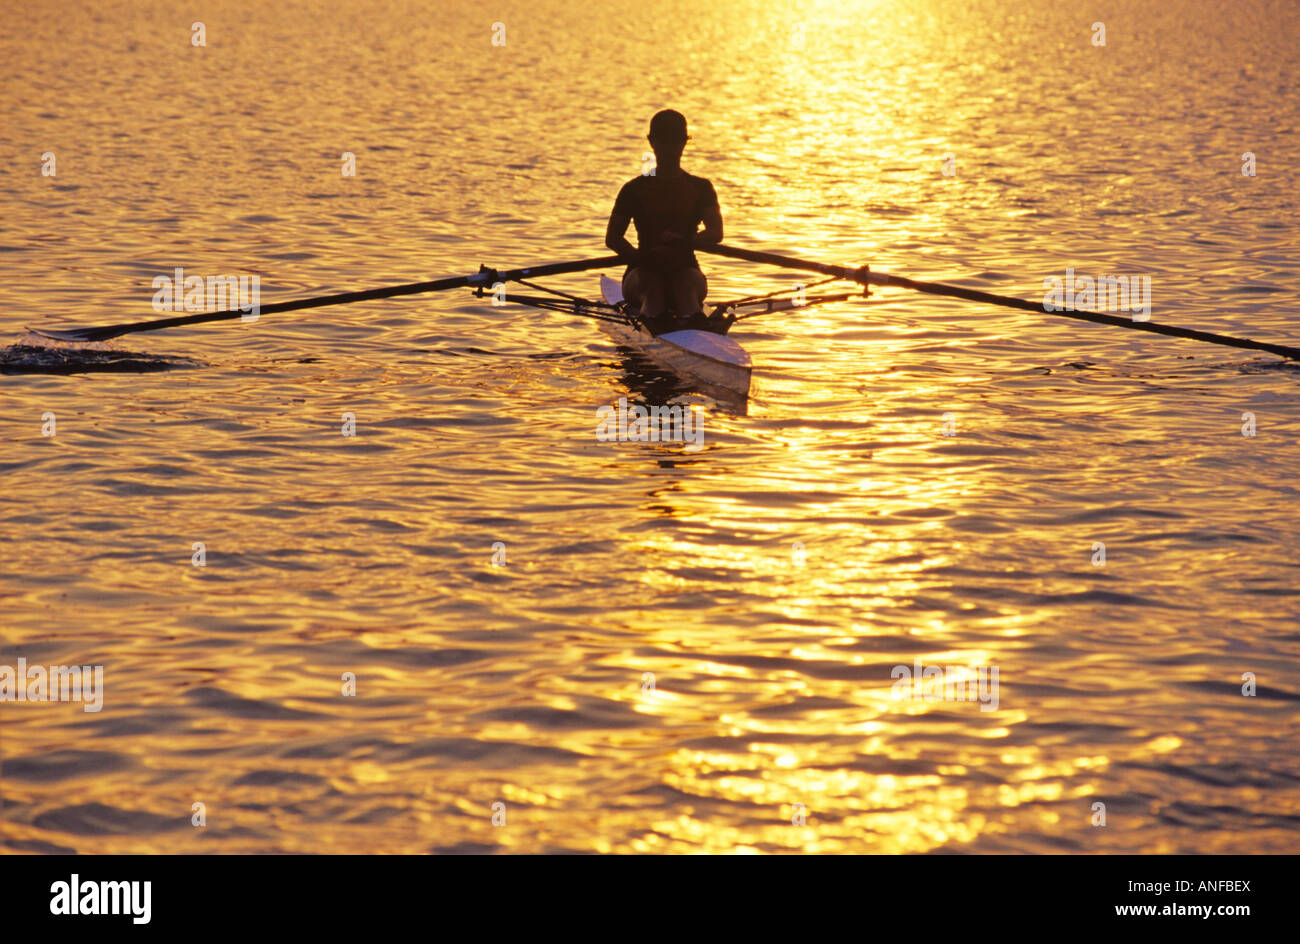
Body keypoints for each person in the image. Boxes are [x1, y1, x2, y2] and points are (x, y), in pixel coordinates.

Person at [605, 110, 724, 333]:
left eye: (675, 140)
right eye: (664, 140)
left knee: (685, 285)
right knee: (653, 288)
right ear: (652, 142)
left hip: (686, 269)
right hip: (641, 272)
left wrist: (685, 241)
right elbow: (613, 238)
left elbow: (716, 233)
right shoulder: (634, 189)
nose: (669, 147)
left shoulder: (701, 188)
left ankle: (692, 324)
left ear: (684, 142)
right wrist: (641, 258)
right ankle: (659, 323)